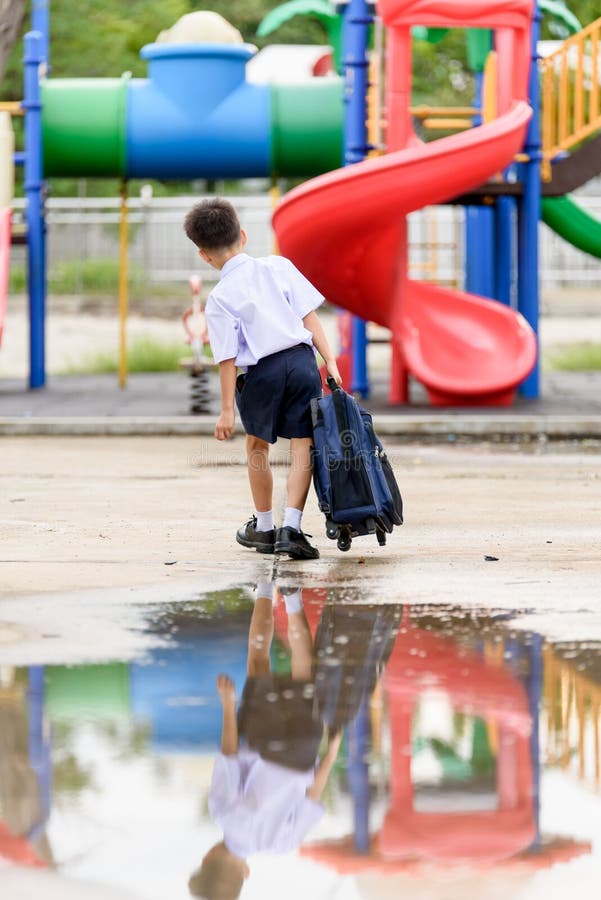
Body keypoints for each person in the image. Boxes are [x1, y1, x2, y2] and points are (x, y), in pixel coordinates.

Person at [183, 198, 342, 560]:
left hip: (261, 374)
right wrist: (329, 359)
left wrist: (226, 411)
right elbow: (308, 317)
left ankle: (265, 527)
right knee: (303, 444)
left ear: (204, 256)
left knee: (257, 447)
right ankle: (293, 528)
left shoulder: (220, 297)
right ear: (243, 235)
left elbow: (225, 359)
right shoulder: (278, 266)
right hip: (302, 363)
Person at [188, 581, 341, 899]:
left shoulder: (283, 845)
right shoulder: (223, 815)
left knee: (304, 672)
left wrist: (331, 752)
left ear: (245, 873)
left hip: (302, 753)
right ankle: (265, 588)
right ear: (208, 857)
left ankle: (294, 597)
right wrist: (228, 704)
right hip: (265, 743)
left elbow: (312, 796)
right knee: (258, 661)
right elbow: (229, 757)